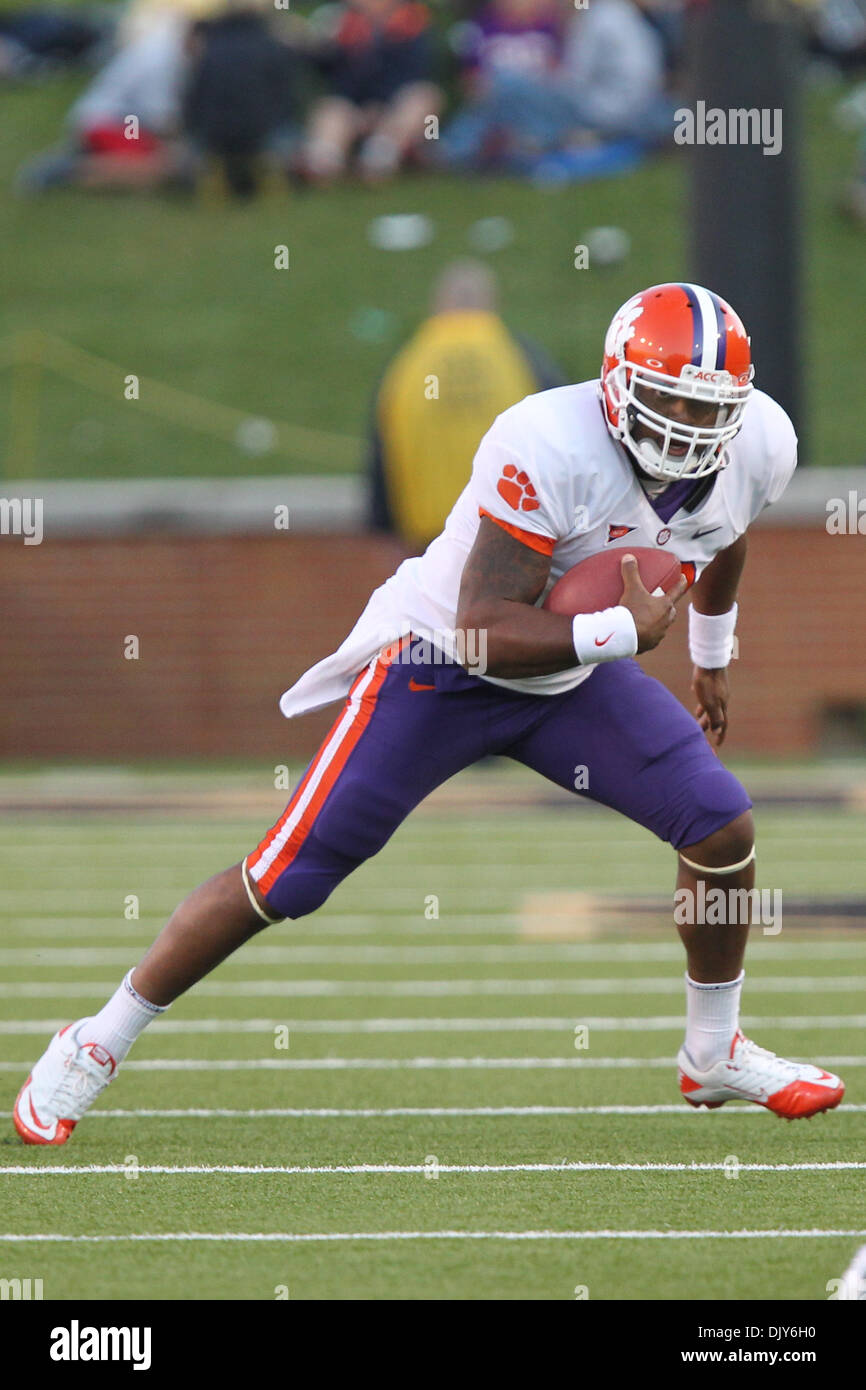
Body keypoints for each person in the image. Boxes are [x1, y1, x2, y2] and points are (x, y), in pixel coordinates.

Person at [13, 281, 845, 1146]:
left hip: (571, 678)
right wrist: (619, 630)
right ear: (616, 382)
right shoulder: (546, 442)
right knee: (285, 878)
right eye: (668, 396)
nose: (685, 424)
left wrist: (712, 656)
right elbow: (482, 630)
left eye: (707, 408)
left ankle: (712, 1054)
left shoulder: (758, 446)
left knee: (721, 828)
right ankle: (98, 1039)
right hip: (442, 667)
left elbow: (726, 531)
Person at [368, 260, 566, 550]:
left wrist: (381, 523)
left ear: (439, 303)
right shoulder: (521, 356)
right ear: (491, 302)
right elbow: (566, 432)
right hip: (510, 531)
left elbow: (381, 449)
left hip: (431, 537)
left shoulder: (407, 365)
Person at [299, 0, 442, 183]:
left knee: (423, 97)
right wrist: (324, 43)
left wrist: (379, 109)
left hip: (394, 111)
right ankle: (323, 162)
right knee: (331, 109)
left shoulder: (411, 23)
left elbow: (417, 75)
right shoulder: (338, 22)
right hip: (354, 109)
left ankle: (379, 158)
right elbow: (331, 77)